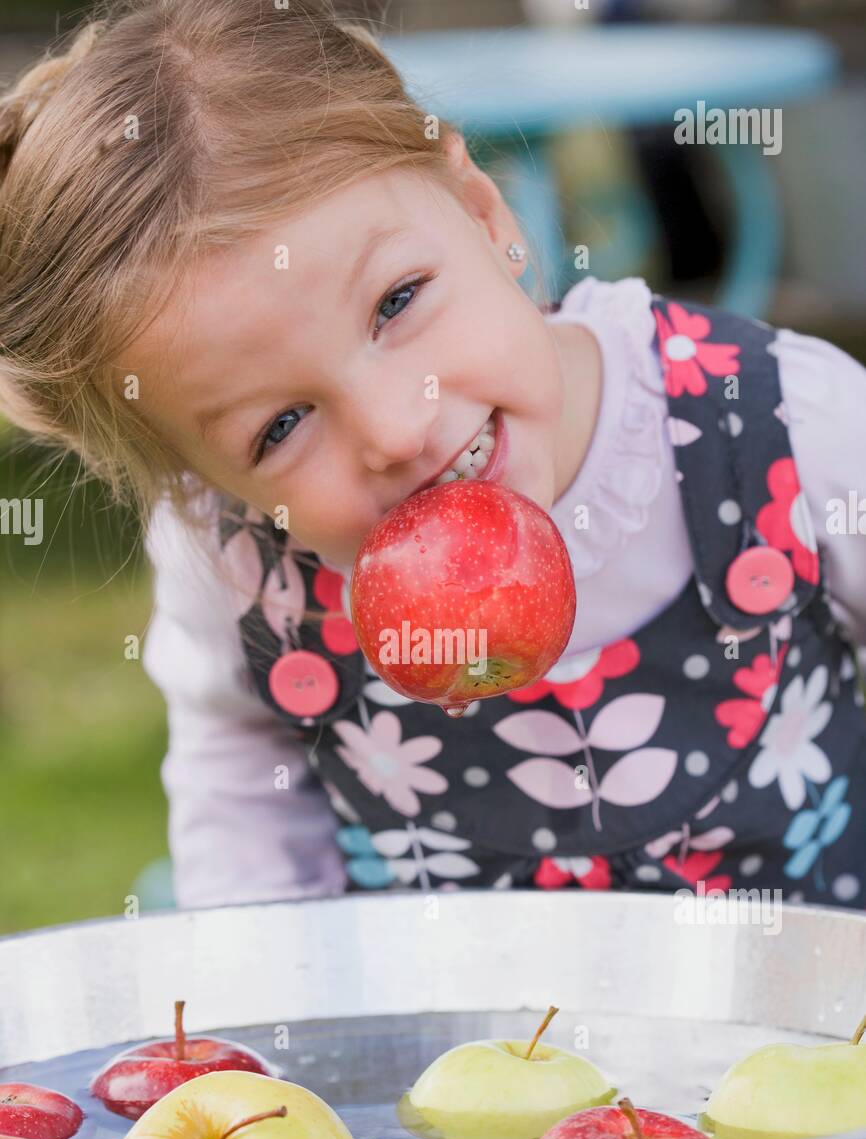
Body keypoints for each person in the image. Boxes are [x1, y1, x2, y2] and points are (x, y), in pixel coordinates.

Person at [1, 0, 864, 911]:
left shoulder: (781, 428)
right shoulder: (239, 561)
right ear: (200, 478)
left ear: (483, 213)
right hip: (444, 1049)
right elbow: (238, 767)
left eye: (397, 302)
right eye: (281, 427)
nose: (394, 430)